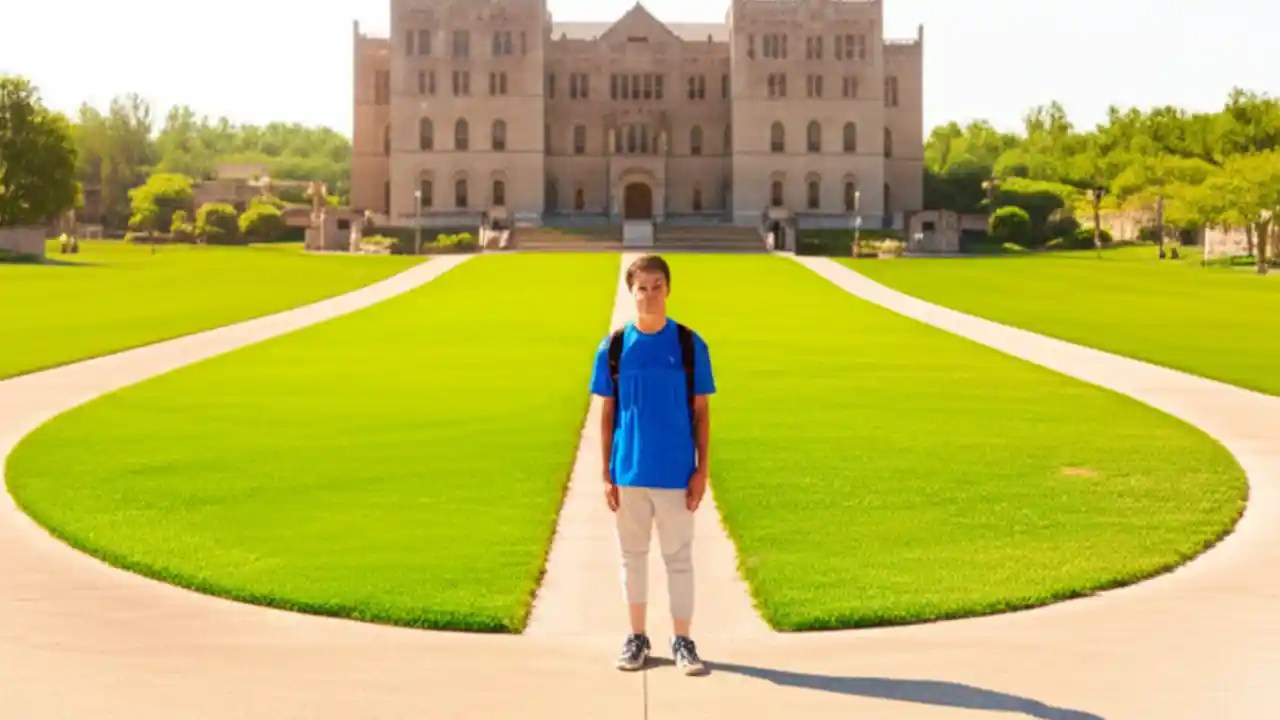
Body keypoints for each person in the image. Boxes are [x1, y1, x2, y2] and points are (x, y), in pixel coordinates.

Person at [589, 254, 715, 675]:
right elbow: (607, 416)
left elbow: (701, 412)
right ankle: (637, 637)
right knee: (633, 556)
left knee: (679, 558)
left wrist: (702, 470)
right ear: (631, 292)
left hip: (676, 472)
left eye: (657, 285)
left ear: (668, 289)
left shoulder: (689, 344)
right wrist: (606, 473)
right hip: (629, 471)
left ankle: (683, 640)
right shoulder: (614, 347)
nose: (649, 294)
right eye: (641, 287)